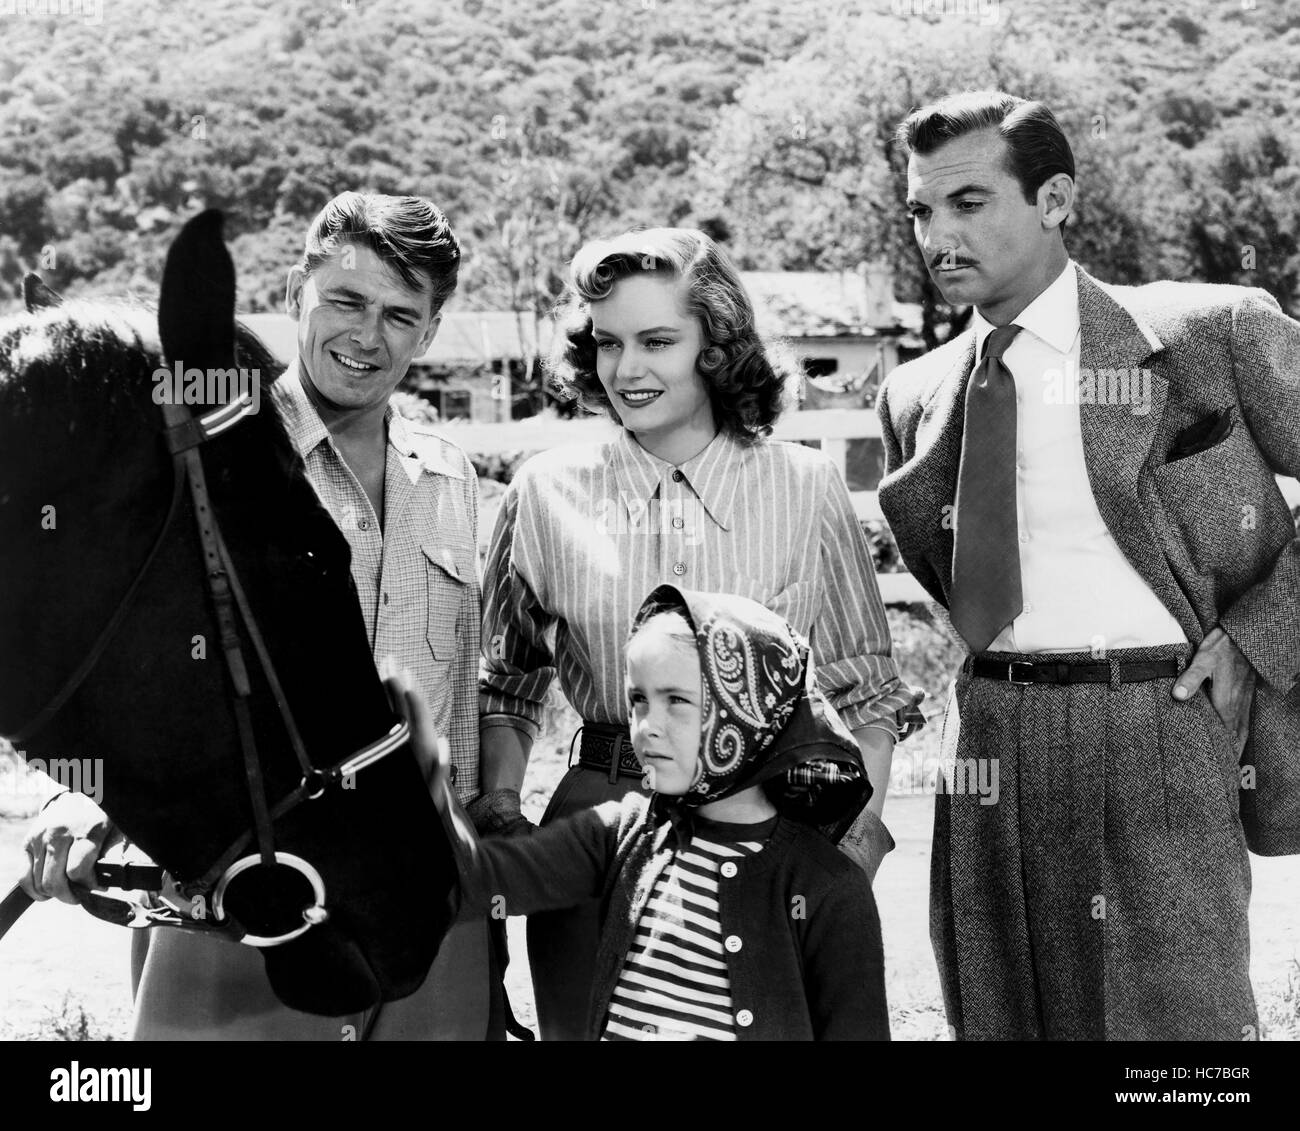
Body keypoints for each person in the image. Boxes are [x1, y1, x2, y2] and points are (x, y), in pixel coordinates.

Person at [21, 192, 501, 1040]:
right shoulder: (204, 454)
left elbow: (480, 683)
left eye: (400, 315)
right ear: (296, 293)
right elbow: (98, 651)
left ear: (429, 335)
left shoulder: (457, 481)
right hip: (245, 908)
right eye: (347, 301)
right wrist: (83, 796)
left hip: (430, 913)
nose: (368, 335)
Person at [877, 90, 1300, 1040]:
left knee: (1177, 1044)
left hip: (1161, 717)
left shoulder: (1210, 334)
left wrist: (1256, 637)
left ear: (1056, 198)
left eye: (969, 202)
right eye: (920, 211)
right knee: (999, 1015)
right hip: (987, 733)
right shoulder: (915, 393)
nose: (937, 233)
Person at [477, 227, 924, 1040]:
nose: (627, 369)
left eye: (658, 341)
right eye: (607, 343)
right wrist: (505, 809)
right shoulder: (542, 492)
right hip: (597, 831)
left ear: (716, 347)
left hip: (770, 834)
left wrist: (851, 847)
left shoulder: (805, 486)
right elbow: (506, 682)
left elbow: (867, 690)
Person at [414, 585, 888, 1040]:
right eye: (639, 699)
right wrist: (429, 787)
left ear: (750, 711)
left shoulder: (827, 887)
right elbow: (486, 883)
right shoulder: (621, 835)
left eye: (676, 701)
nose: (645, 727)